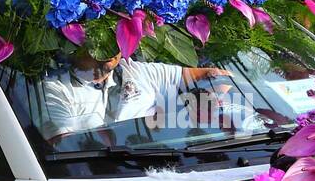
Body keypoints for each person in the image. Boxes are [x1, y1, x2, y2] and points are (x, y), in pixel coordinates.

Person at [39, 50, 234, 141]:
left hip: (155, 166)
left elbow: (218, 77)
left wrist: (207, 98)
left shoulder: (137, 71)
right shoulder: (55, 88)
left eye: (113, 40)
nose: (106, 49)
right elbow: (65, 146)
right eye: (95, 39)